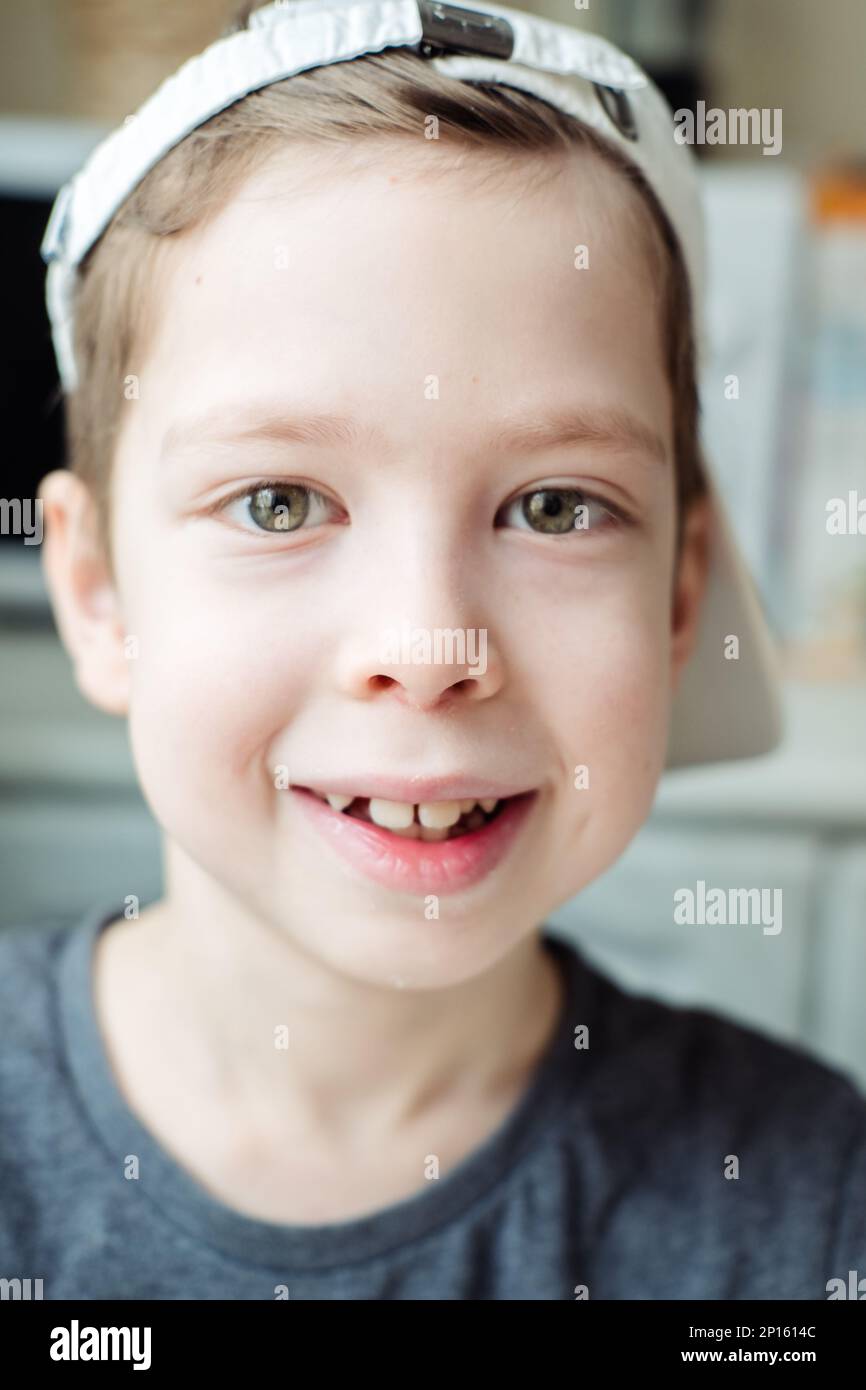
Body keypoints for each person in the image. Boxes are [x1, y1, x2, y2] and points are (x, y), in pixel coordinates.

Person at [1, 0, 863, 1300]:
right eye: (279, 502)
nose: (429, 646)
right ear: (98, 593)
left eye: (556, 505)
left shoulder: (805, 1208)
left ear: (678, 596)